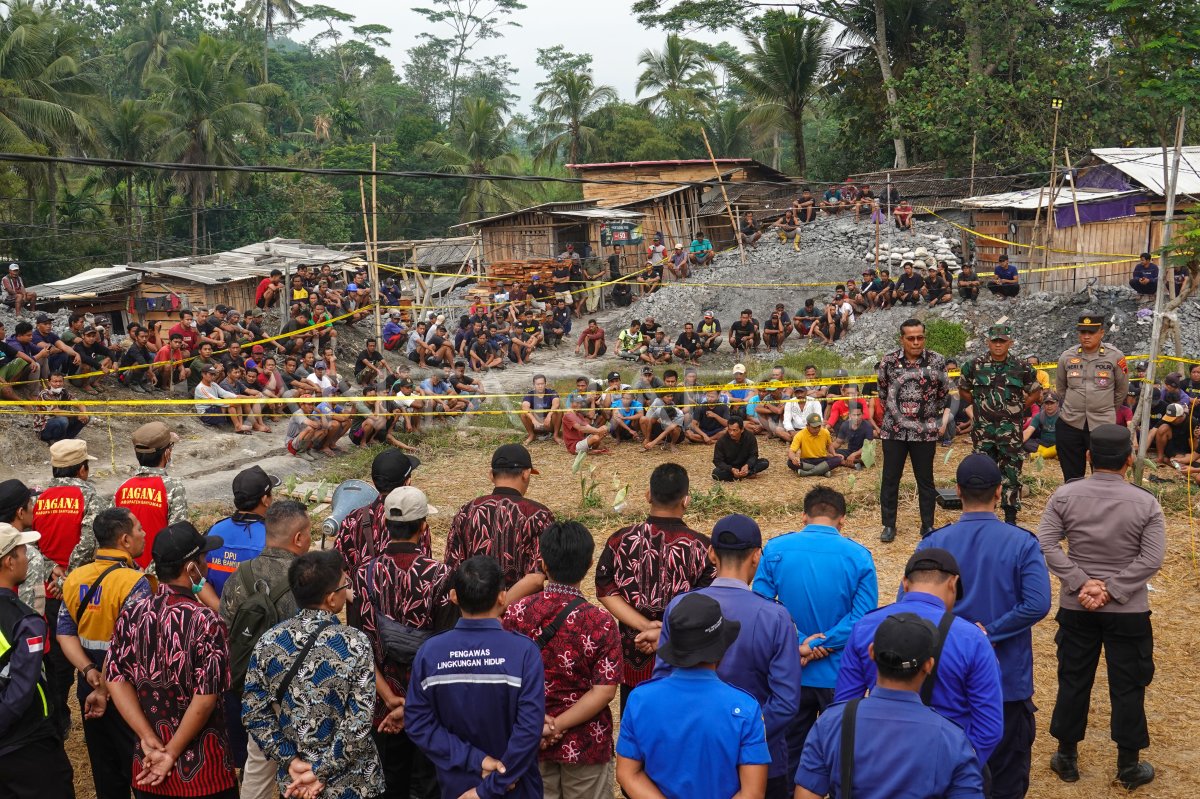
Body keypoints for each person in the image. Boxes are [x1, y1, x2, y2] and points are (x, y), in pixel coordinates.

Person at [916, 454, 1052, 799]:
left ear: (957, 492)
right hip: (1005, 682)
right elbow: (1037, 603)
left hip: (940, 682)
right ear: (999, 492)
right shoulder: (1022, 542)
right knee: (1005, 777)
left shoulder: (933, 542)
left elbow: (913, 605)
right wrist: (989, 632)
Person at [1037, 424, 1164, 790]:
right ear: (1128, 460)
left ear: (1089, 457)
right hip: (1128, 611)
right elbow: (1152, 558)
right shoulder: (1146, 502)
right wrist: (1115, 588)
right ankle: (1128, 765)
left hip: (1078, 606)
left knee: (1073, 679)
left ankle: (1066, 757)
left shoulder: (1065, 495)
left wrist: (1082, 582)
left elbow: (1047, 544)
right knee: (1129, 684)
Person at [650, 515, 800, 799]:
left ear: (711, 553)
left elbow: (662, 678)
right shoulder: (774, 616)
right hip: (760, 762)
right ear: (757, 556)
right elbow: (786, 702)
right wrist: (743, 738)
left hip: (687, 754)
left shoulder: (681, 606)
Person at [105, 521, 238, 798]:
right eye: (203, 559)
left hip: (150, 768)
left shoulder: (132, 614)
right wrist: (173, 752)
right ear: (191, 568)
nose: (207, 564)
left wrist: (147, 736)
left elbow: (115, 678)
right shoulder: (207, 621)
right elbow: (205, 698)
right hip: (205, 774)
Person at [837, 548, 1004, 766]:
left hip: (877, 757)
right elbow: (989, 727)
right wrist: (961, 770)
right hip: (947, 759)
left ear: (905, 584)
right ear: (953, 583)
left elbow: (845, 705)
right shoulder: (972, 639)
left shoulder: (864, 627)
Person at [753, 486, 877, 776]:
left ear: (803, 516)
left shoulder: (775, 549)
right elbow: (862, 618)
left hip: (790, 669)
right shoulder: (859, 557)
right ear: (842, 520)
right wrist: (828, 641)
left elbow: (762, 606)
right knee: (842, 756)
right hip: (841, 675)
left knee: (789, 754)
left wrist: (799, 644)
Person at [242, 549, 384, 799]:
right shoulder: (355, 644)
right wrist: (321, 770)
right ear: (331, 599)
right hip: (352, 783)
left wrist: (290, 760)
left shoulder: (269, 641)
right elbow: (359, 722)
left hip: (295, 782)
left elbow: (254, 712)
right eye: (344, 585)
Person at [794, 613, 984, 799]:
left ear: (871, 653)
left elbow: (806, 794)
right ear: (928, 665)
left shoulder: (832, 722)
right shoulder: (952, 738)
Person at [406, 555, 546, 799]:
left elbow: (417, 722)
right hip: (516, 787)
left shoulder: (430, 653)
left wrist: (474, 760)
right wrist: (497, 782)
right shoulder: (524, 652)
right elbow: (529, 729)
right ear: (502, 597)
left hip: (457, 786)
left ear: (454, 597)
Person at [501, 521, 621, 799]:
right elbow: (604, 691)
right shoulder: (601, 621)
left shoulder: (517, 613)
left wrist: (541, 725)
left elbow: (505, 679)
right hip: (585, 743)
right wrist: (559, 725)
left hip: (528, 739)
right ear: (590, 564)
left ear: (542, 564)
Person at [615, 593, 770, 799]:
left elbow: (627, 774)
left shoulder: (640, 699)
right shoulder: (745, 708)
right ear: (721, 647)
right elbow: (753, 793)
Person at [354, 487, 454, 799]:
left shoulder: (364, 574)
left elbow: (361, 644)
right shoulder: (441, 575)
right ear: (424, 526)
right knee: (427, 783)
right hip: (430, 702)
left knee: (388, 781)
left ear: (385, 524)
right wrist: (415, 704)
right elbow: (445, 645)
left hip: (383, 702)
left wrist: (391, 698)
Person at [595, 464, 714, 708]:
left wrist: (644, 625)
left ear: (648, 495)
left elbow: (604, 587)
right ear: (686, 500)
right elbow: (707, 598)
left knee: (637, 729)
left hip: (634, 654)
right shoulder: (703, 547)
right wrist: (664, 632)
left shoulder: (620, 540)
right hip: (683, 657)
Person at [216, 500, 310, 799]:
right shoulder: (304, 581)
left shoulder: (239, 576)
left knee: (256, 769)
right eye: (309, 533)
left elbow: (224, 630)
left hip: (249, 689)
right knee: (302, 769)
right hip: (294, 694)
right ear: (298, 538)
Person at [56, 507, 152, 799]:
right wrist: (109, 686)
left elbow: (64, 632)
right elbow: (132, 641)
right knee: (140, 768)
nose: (143, 533)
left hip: (90, 686)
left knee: (105, 770)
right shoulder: (136, 583)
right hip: (128, 691)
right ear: (124, 540)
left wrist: (89, 671)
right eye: (138, 529)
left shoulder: (75, 578)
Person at [0, 522, 77, 798]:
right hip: (25, 742)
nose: (26, 558)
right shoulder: (25, 621)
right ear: (10, 562)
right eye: (23, 552)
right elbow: (21, 691)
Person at [32, 438, 103, 735]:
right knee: (89, 654)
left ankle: (57, 721)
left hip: (48, 592)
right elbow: (90, 541)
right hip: (85, 592)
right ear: (82, 470)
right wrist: (71, 580)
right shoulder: (89, 496)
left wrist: (54, 575)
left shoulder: (37, 498)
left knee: (56, 662)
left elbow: (31, 543)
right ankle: (92, 711)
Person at [445, 444, 553, 601]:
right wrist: (499, 609)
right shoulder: (539, 515)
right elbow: (536, 578)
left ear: (491, 475)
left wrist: (482, 612)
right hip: (519, 617)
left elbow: (452, 569)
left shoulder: (466, 511)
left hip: (473, 613)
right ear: (526, 473)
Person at [957, 323, 1040, 525]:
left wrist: (1018, 408)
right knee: (982, 473)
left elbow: (1036, 391)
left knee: (1011, 473)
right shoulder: (974, 365)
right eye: (995, 341)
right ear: (988, 342)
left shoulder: (1022, 367)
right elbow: (963, 390)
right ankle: (983, 514)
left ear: (1010, 343)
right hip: (984, 431)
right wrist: (980, 408)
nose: (998, 345)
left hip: (1009, 432)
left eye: (1002, 341)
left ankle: (1010, 517)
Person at [77, 422, 187, 573]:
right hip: (158, 577)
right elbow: (175, 538)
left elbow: (108, 536)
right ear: (167, 453)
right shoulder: (173, 487)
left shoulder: (123, 487)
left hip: (123, 574)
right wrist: (148, 574)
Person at [877, 319, 950, 542]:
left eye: (920, 337)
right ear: (902, 339)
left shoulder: (937, 361)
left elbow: (943, 394)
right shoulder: (888, 361)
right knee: (890, 479)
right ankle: (889, 525)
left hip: (924, 431)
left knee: (925, 479)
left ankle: (927, 525)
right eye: (911, 338)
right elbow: (882, 393)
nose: (916, 342)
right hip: (894, 431)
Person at [334, 450, 427, 617]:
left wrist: (354, 593)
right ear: (408, 482)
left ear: (373, 482)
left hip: (364, 618)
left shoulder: (352, 519)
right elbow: (422, 570)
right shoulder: (414, 521)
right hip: (404, 618)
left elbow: (337, 566)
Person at [1055, 314, 1129, 482]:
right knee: (1071, 475)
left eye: (1091, 332)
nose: (1086, 336)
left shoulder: (1115, 356)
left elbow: (1121, 390)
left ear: (1101, 332)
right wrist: (1074, 406)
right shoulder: (1067, 356)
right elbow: (1061, 388)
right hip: (1071, 422)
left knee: (1104, 474)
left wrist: (1106, 408)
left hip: (1102, 425)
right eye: (1082, 332)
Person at [711, 414, 769, 481]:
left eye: (735, 430)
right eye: (729, 430)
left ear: (742, 430)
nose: (731, 433)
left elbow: (754, 455)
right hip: (730, 467)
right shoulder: (722, 441)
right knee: (715, 473)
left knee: (764, 462)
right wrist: (731, 469)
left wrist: (747, 465)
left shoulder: (750, 437)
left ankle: (742, 474)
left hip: (745, 464)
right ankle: (747, 474)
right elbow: (718, 461)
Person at [520, 374, 563, 445]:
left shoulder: (551, 392)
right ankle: (531, 435)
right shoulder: (530, 394)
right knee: (523, 412)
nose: (540, 386)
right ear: (534, 385)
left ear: (545, 384)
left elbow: (556, 403)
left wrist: (549, 416)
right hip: (536, 423)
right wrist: (533, 420)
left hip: (549, 423)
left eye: (542, 384)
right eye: (538, 384)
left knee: (559, 411)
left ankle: (555, 435)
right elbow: (524, 406)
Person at [1023, 390, 1061, 459]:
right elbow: (1029, 430)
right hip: (1043, 444)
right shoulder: (1039, 415)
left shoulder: (1062, 415)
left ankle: (1042, 454)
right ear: (1044, 404)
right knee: (1026, 443)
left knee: (1066, 445)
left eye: (1052, 403)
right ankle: (1050, 453)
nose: (1049, 406)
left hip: (1058, 443)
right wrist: (1017, 442)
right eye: (1047, 403)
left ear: (1057, 404)